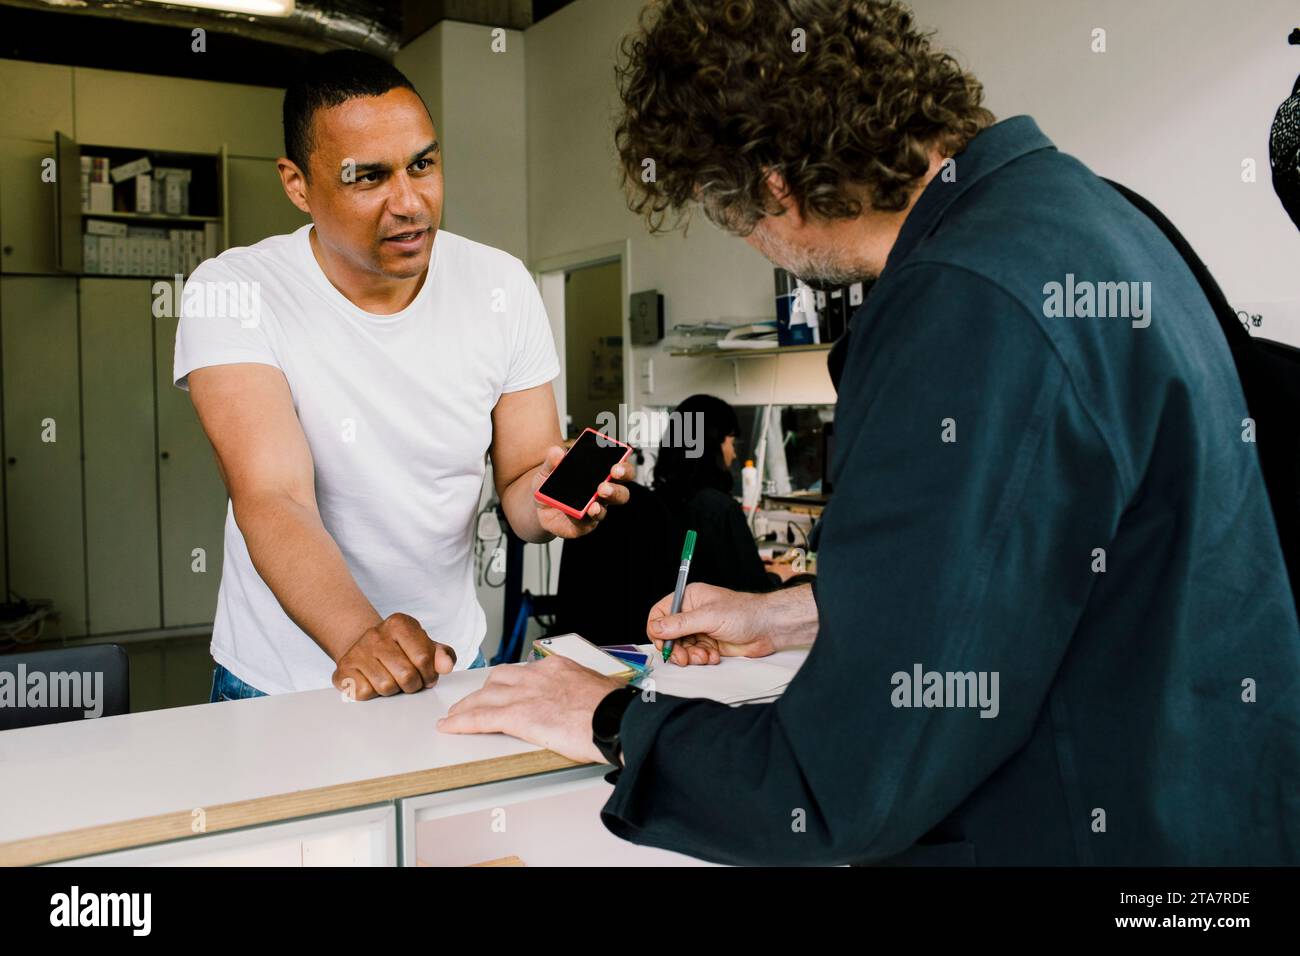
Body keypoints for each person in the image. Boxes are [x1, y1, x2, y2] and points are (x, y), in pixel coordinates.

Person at [439, 0, 1300, 865]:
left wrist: (604, 715)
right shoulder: (1096, 213)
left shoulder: (964, 305)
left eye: (724, 213)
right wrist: (799, 613)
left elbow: (840, 786)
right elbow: (1061, 557)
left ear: (771, 184)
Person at [175, 50, 627, 702]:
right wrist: (364, 639)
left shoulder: (499, 285)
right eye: (368, 177)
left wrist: (557, 505)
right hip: (281, 681)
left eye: (423, 164)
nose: (409, 202)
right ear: (297, 184)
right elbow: (273, 496)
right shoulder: (236, 290)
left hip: (449, 662)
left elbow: (522, 484)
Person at [652, 394, 787, 592]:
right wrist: (779, 574)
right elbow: (756, 590)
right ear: (713, 444)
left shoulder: (657, 500)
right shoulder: (720, 508)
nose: (733, 453)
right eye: (731, 442)